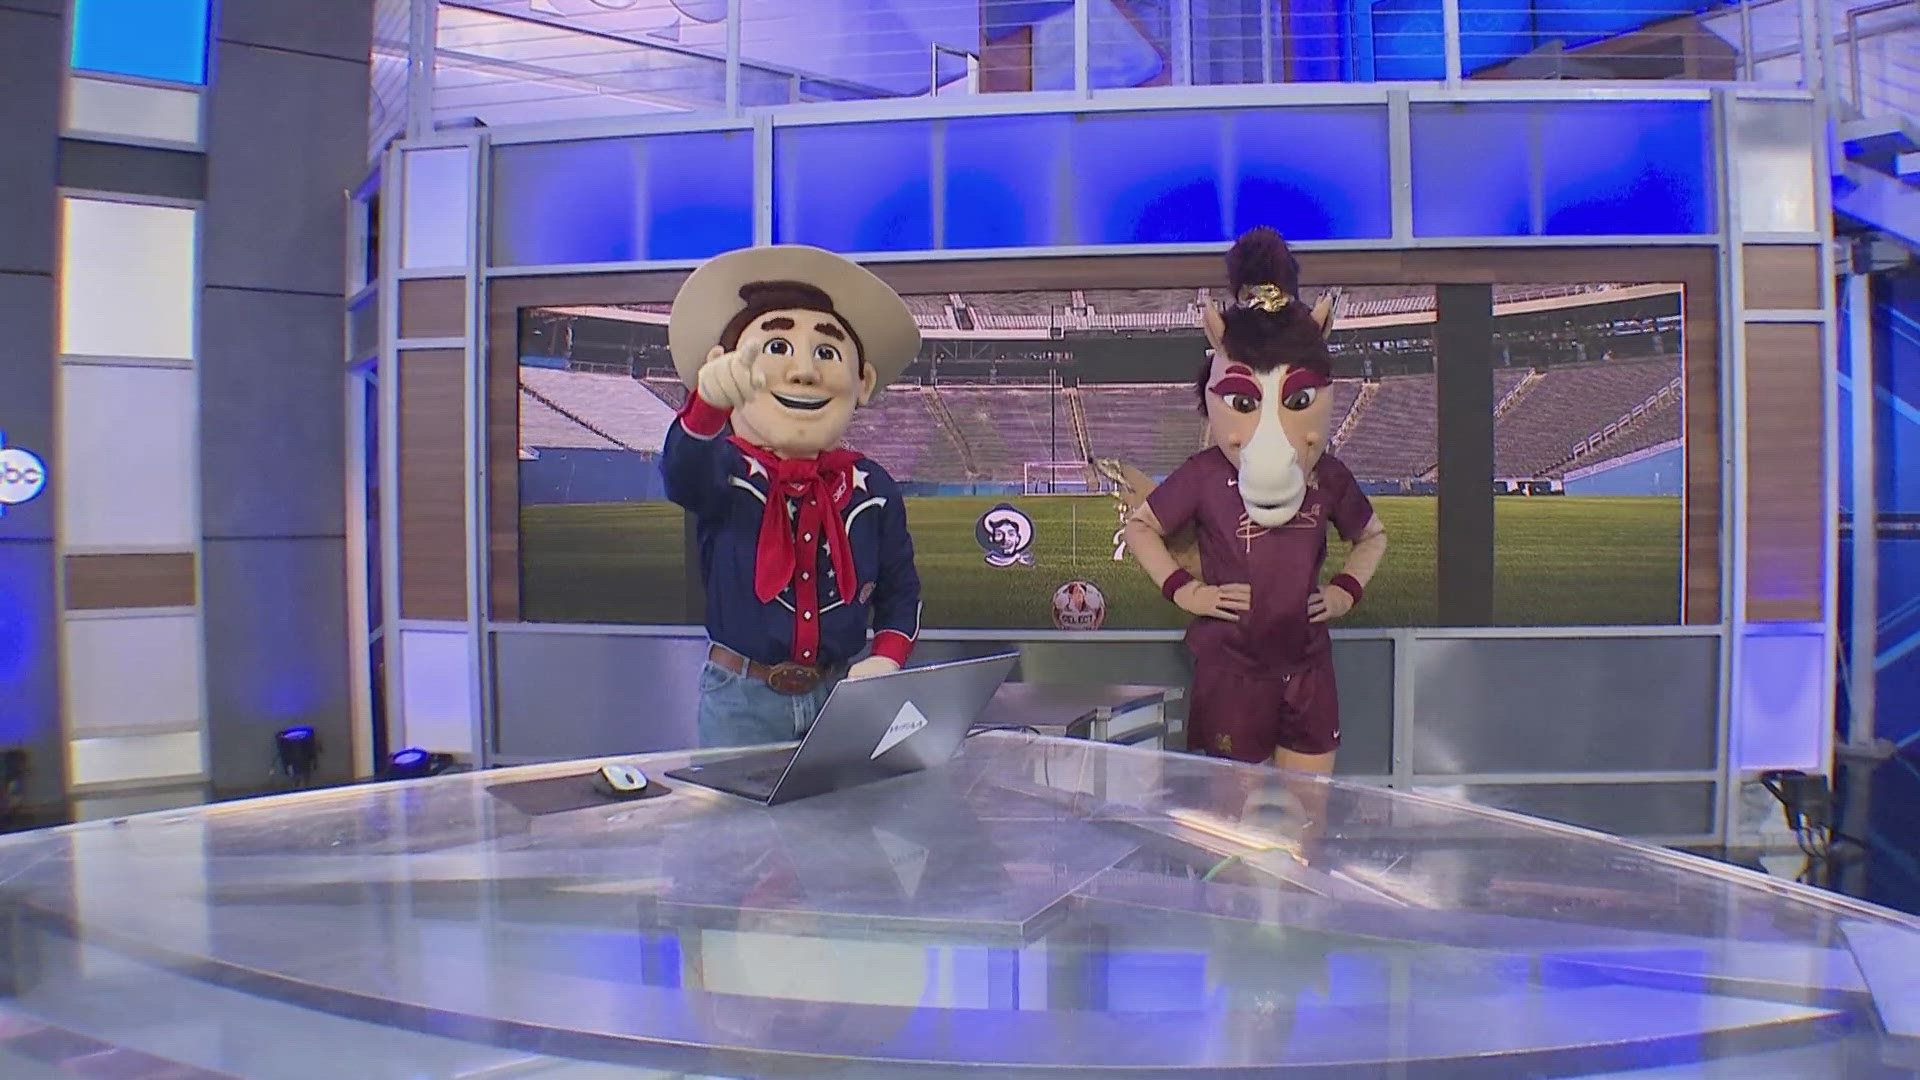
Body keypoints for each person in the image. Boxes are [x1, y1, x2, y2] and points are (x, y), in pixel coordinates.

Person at [1121, 227, 1388, 775]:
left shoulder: (1331, 477)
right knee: (1227, 830)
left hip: (1309, 671)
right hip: (1230, 674)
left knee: (1309, 818)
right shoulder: (1202, 474)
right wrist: (1187, 591)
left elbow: (1372, 536)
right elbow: (1141, 527)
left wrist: (1343, 593)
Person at [661, 245, 923, 748]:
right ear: (723, 365)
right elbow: (682, 473)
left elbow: (901, 590)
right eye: (777, 347)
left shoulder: (872, 488)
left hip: (838, 695)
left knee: (841, 824)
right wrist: (704, 409)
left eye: (827, 353)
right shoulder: (725, 470)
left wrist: (887, 654)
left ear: (862, 381)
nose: (804, 373)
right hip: (742, 699)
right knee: (740, 826)